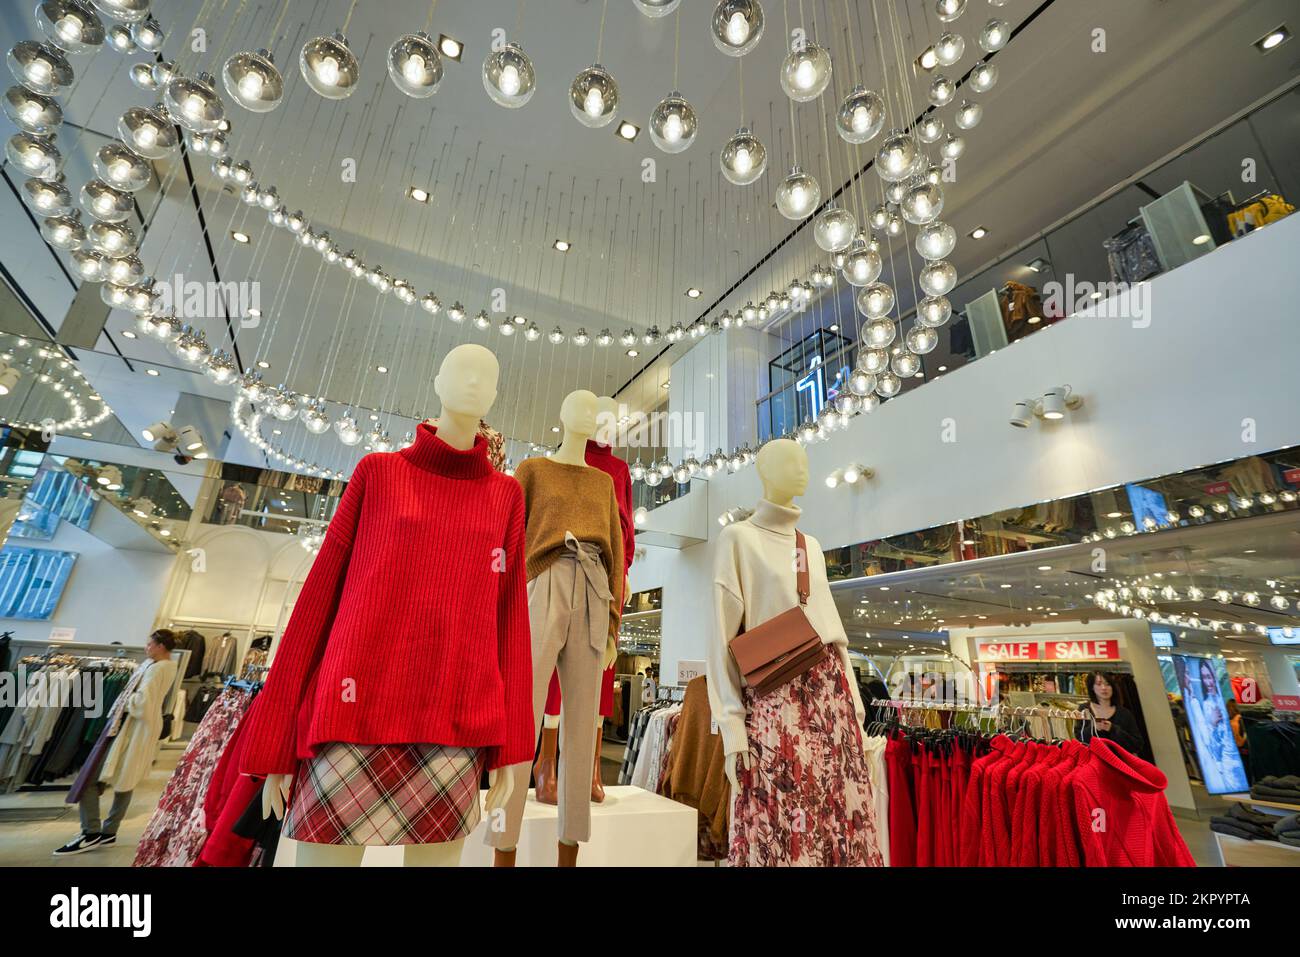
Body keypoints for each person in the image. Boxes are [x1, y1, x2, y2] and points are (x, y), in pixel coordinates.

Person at [54, 630, 178, 856]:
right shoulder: (161, 666)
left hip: (132, 729)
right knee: (126, 780)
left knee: (89, 778)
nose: (146, 647)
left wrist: (122, 697)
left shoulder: (158, 668)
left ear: (160, 645)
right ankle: (109, 831)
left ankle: (90, 832)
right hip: (138, 730)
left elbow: (143, 704)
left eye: (150, 643)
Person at [1079, 672, 1144, 755]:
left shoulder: (1124, 713)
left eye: (1107, 684)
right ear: (1092, 687)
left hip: (1120, 764)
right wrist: (1092, 728)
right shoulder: (1084, 710)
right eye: (1099, 684)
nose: (1104, 688)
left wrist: (1113, 729)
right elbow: (1079, 740)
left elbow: (1137, 744)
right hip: (1094, 764)